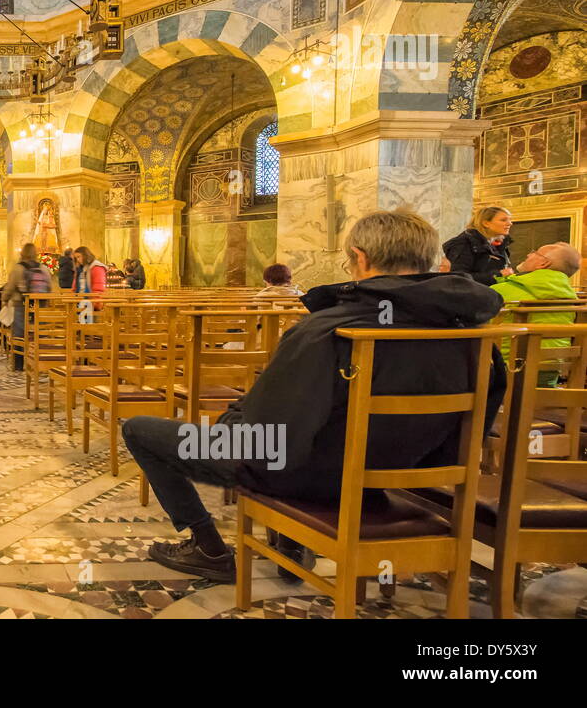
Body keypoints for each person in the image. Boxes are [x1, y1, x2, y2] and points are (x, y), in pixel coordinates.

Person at [122, 208, 506, 584]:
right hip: (400, 470)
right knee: (308, 429)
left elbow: (263, 441)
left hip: (312, 475)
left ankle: (208, 548)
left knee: (141, 430)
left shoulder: (328, 330)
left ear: (360, 258)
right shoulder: (473, 332)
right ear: (430, 259)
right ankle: (291, 541)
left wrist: (232, 418)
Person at [491, 241, 581, 382]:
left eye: (535, 252)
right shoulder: (572, 299)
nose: (529, 254)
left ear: (543, 263)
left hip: (503, 375)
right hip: (549, 374)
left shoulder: (500, 292)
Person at [0, 243, 55, 371]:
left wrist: (5, 299)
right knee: (40, 333)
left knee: (19, 334)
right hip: (40, 305)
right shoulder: (43, 268)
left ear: (22, 253)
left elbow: (10, 286)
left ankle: (19, 365)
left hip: (21, 304)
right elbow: (49, 287)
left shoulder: (18, 268)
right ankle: (41, 364)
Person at [443, 206, 515, 286]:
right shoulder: (464, 243)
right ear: (486, 223)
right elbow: (459, 278)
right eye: (503, 220)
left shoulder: (499, 244)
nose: (510, 223)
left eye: (510, 219)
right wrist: (498, 275)